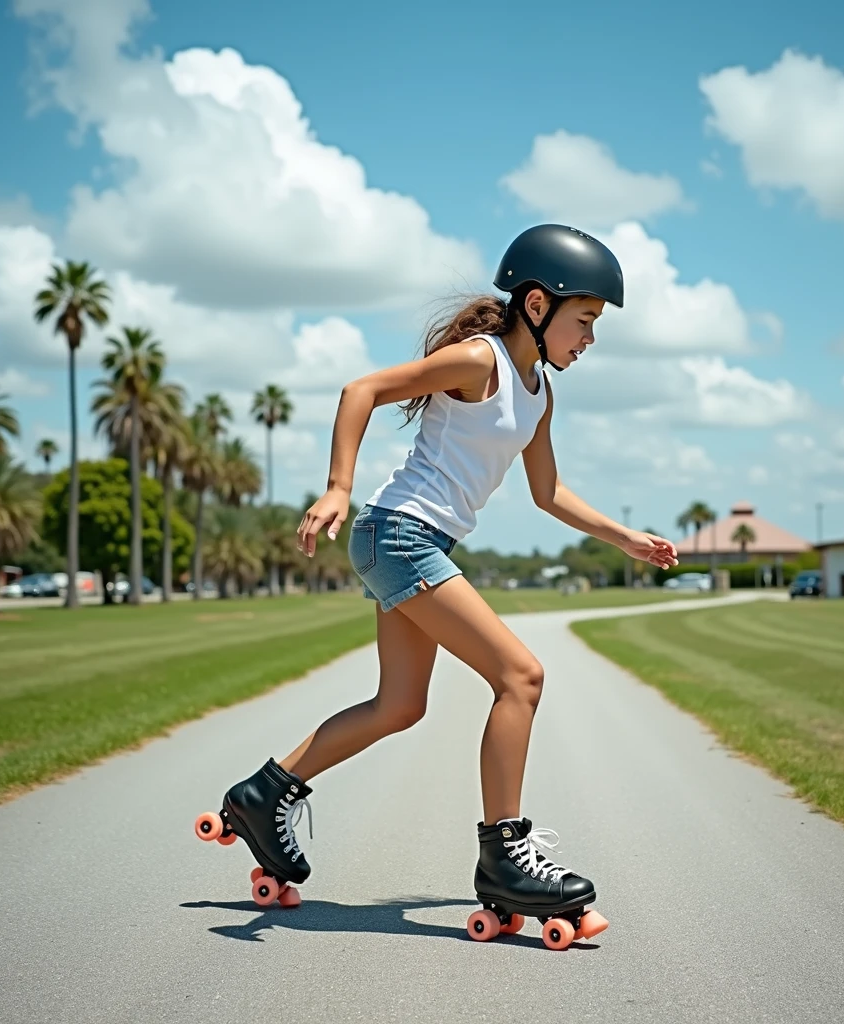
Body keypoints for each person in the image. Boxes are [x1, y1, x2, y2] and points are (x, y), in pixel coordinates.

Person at [207, 224, 679, 947]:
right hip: (397, 533)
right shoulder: (478, 362)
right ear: (536, 305)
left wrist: (628, 538)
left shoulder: (537, 391)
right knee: (521, 676)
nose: (590, 337)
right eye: (584, 320)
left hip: (413, 540)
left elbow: (547, 492)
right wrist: (338, 487)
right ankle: (505, 856)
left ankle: (262, 794)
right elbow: (362, 388)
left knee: (399, 705)